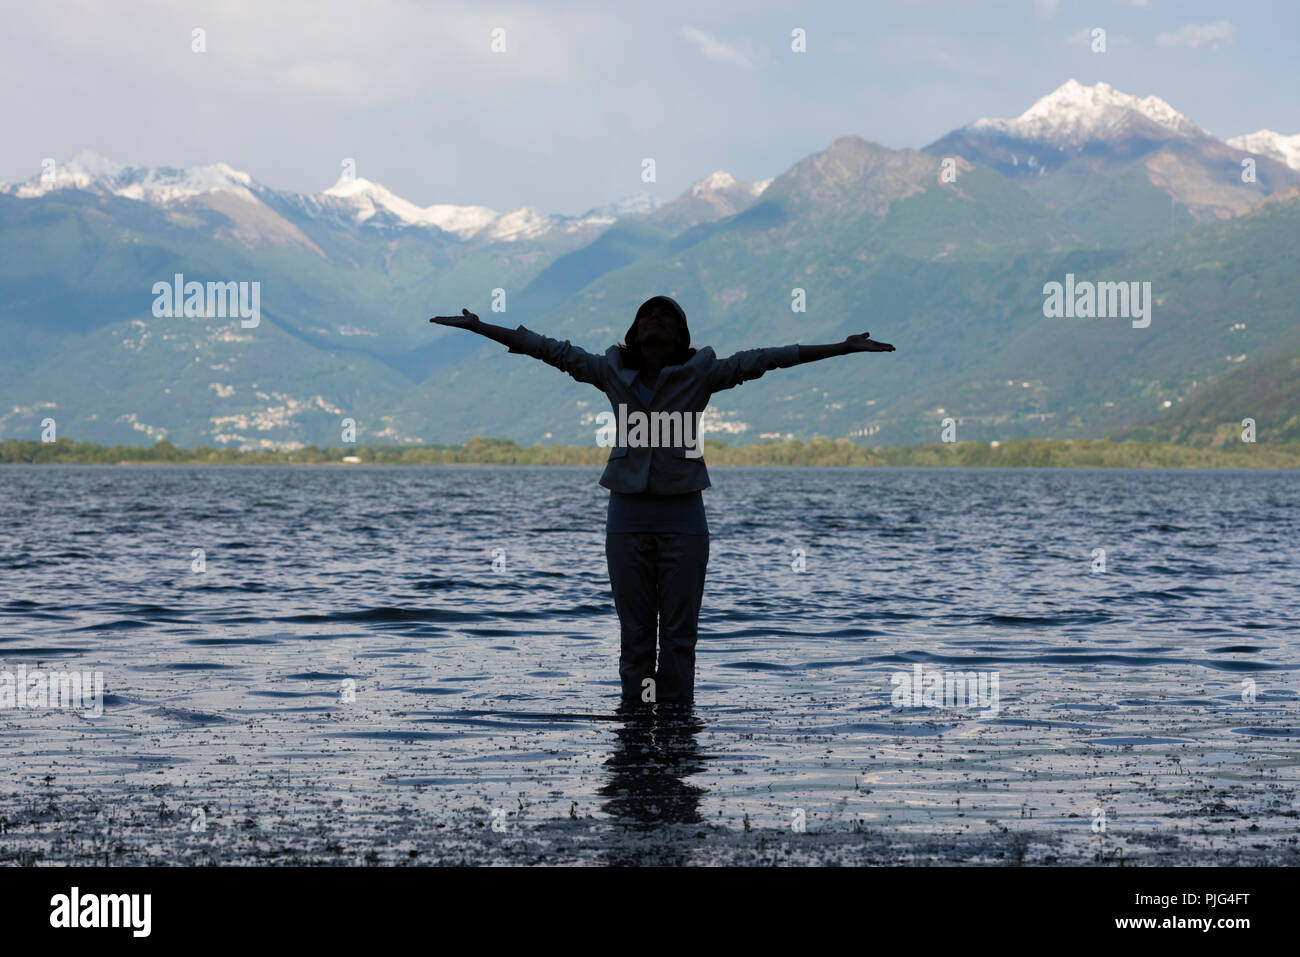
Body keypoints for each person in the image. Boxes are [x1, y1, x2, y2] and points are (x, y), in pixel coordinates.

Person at [431, 296, 894, 704]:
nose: (656, 320)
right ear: (634, 332)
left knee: (678, 635)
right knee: (635, 634)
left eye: (667, 317)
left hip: (684, 517)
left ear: (681, 337)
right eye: (648, 315)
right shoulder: (610, 371)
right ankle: (635, 719)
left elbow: (770, 358)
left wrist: (843, 346)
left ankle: (675, 722)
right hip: (626, 516)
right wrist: (481, 328)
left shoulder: (703, 374)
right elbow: (550, 350)